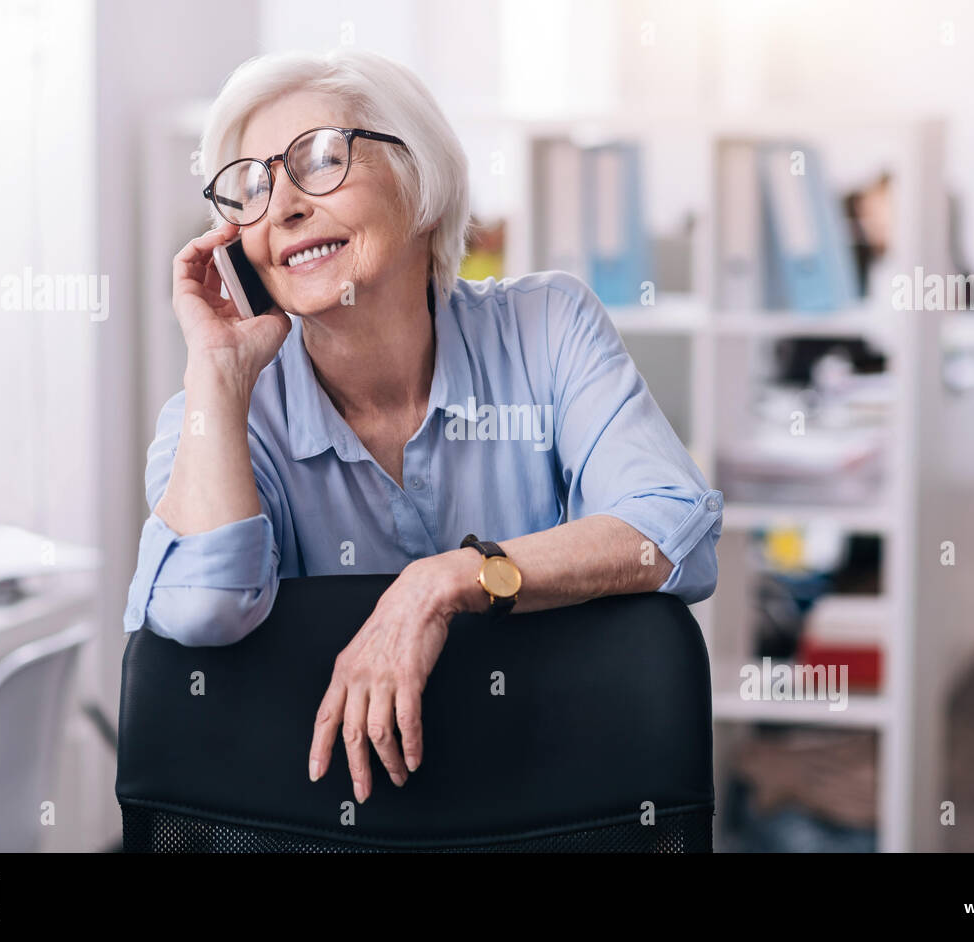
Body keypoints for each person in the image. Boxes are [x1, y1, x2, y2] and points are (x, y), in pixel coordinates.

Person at [123, 48, 723, 805]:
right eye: (251, 186)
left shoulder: (546, 326)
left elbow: (674, 531)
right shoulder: (218, 407)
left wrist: (443, 581)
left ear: (424, 187)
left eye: (320, 159)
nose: (283, 207)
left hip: (541, 800)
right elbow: (198, 609)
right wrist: (215, 371)